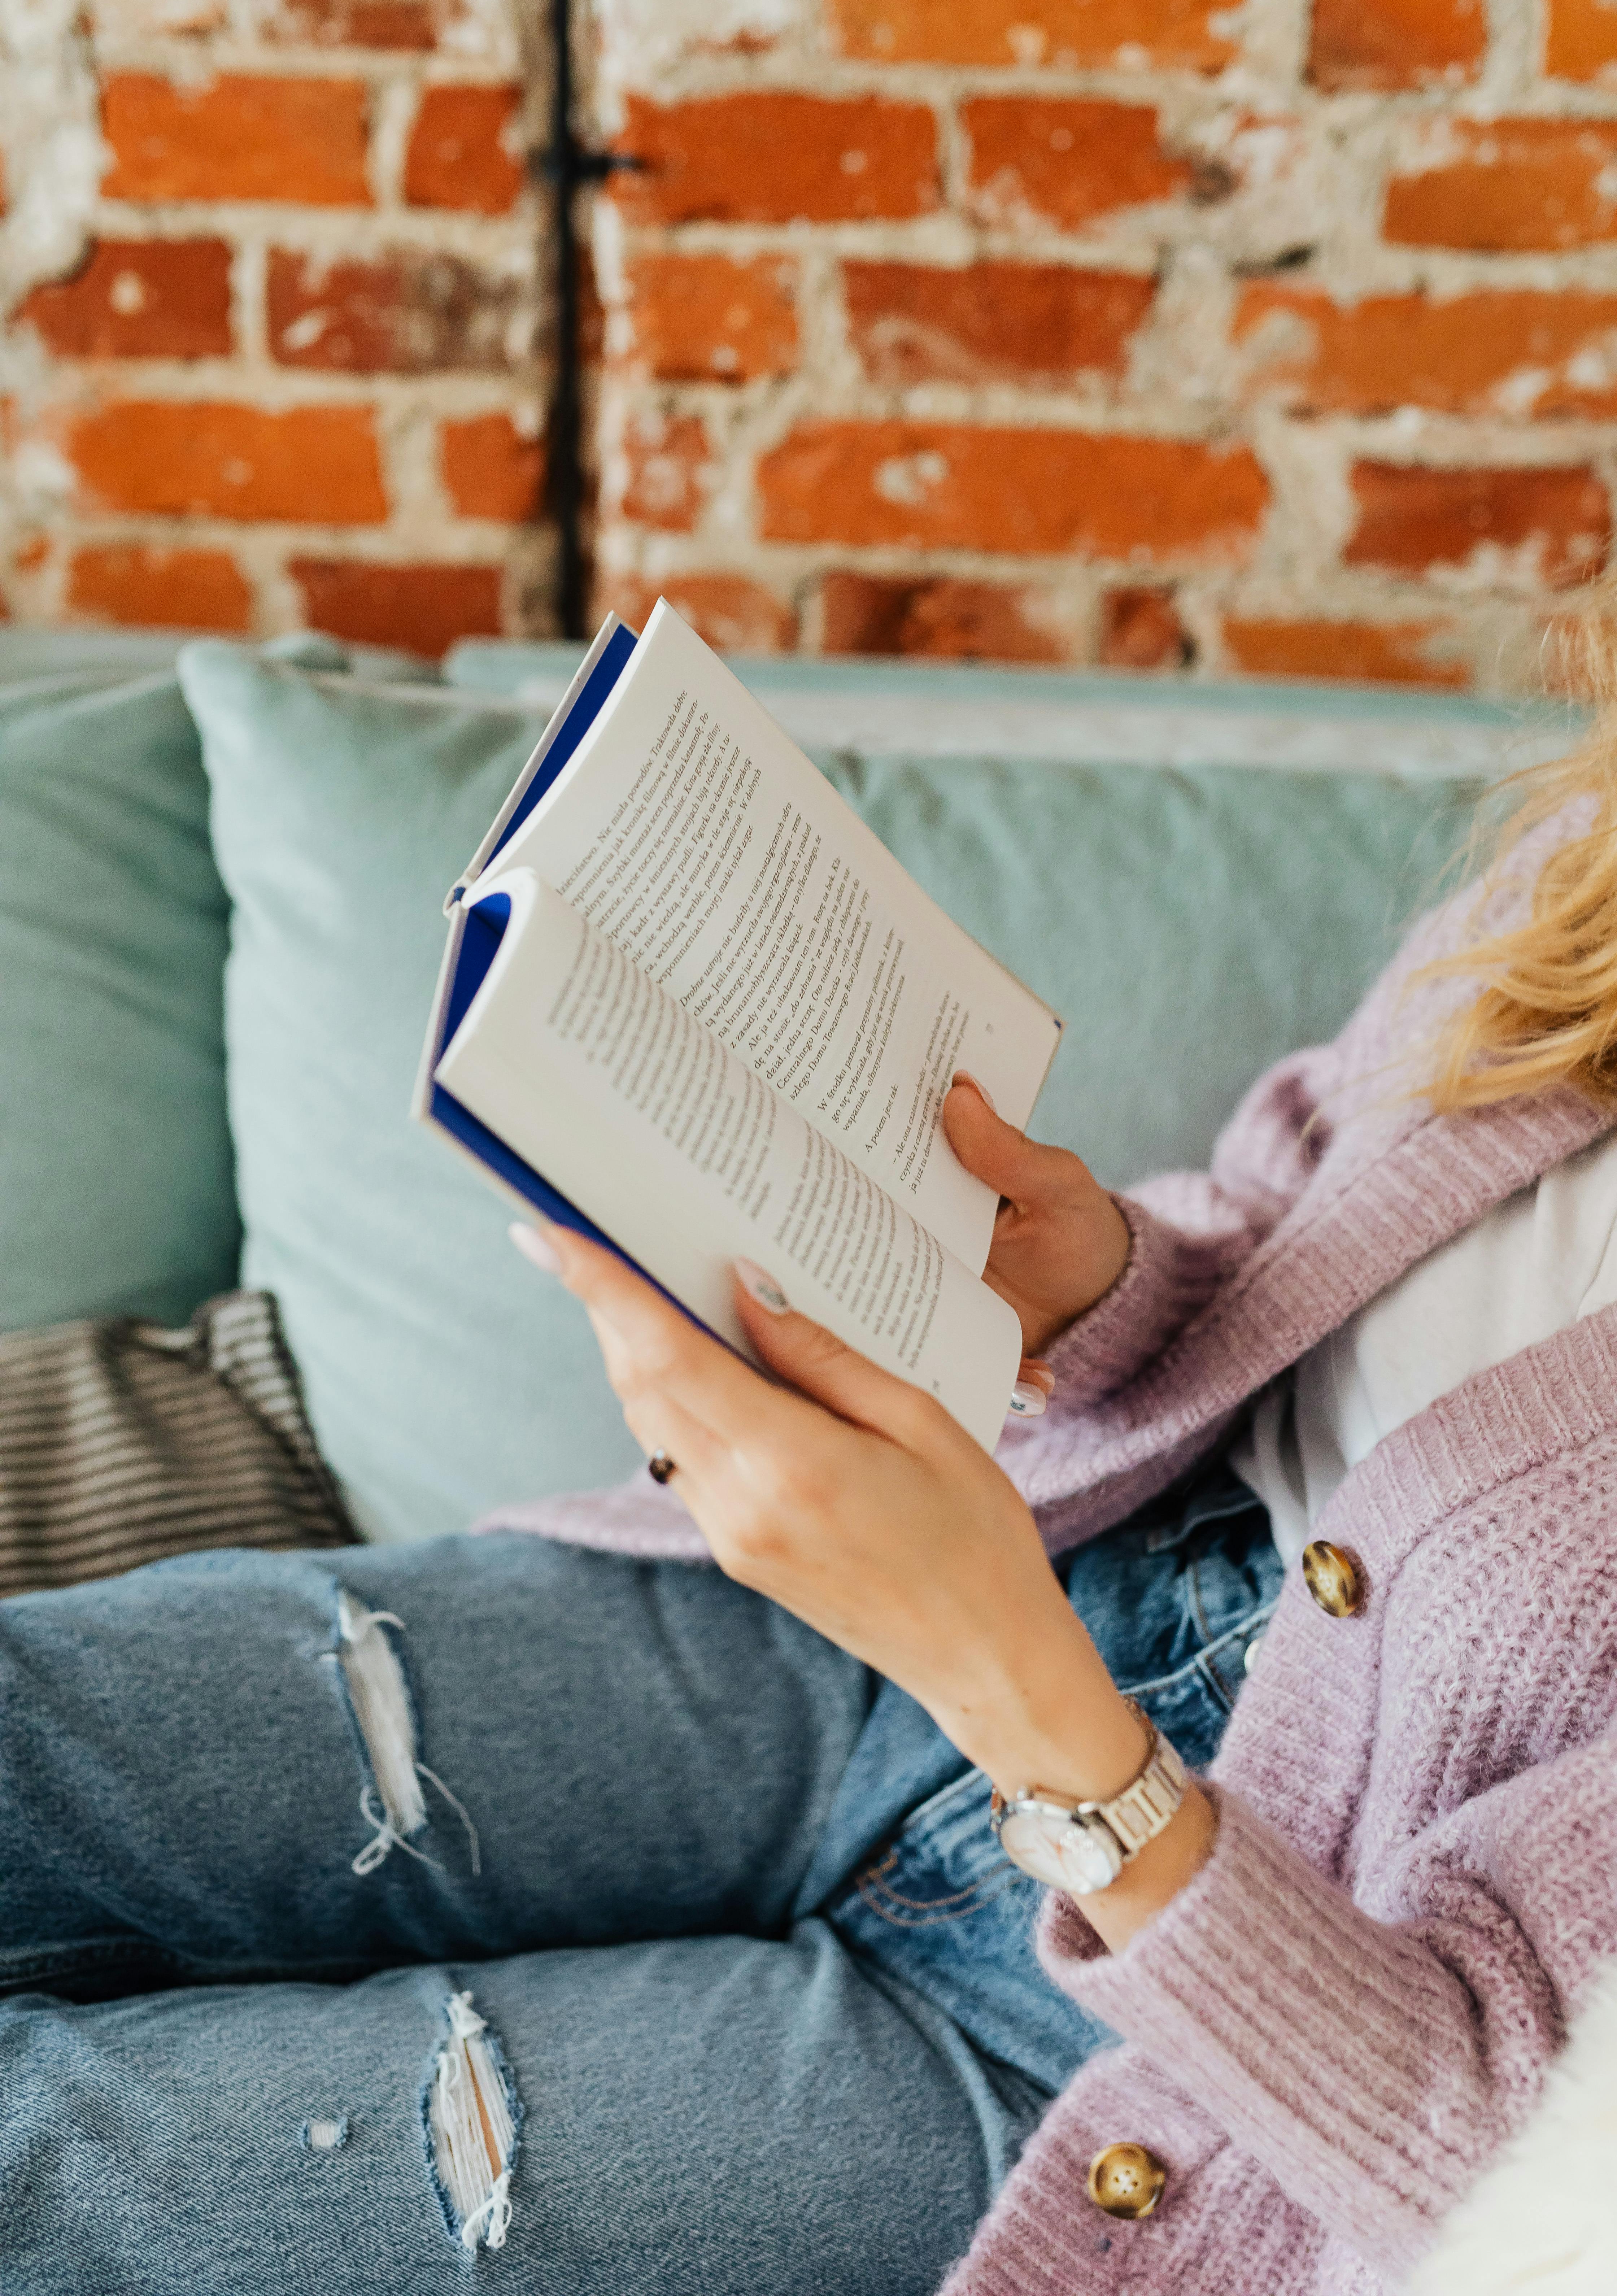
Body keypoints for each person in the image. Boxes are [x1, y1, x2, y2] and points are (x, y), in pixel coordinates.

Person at [6, 649, 1617, 2296]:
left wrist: (1017, 1693)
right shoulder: (1589, 865)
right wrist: (1100, 1282)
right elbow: (1294, 1189)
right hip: (964, 1588)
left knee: (70, 2170)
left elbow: (1532, 2179)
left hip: (1139, 2046)